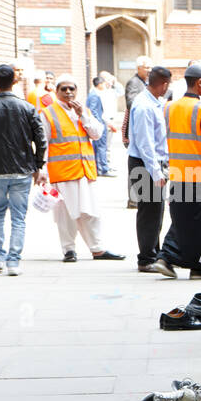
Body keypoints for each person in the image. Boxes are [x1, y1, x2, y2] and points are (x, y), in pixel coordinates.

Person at [150, 64, 201, 279]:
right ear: (200, 82)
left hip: (178, 174)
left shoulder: (169, 107)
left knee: (182, 220)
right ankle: (198, 268)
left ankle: (166, 257)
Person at [37, 76, 124, 262]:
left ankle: (98, 249)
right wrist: (41, 169)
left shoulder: (83, 111)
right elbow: (43, 143)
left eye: (72, 89)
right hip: (62, 171)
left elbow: (97, 133)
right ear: (57, 91)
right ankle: (69, 250)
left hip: (85, 170)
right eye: (64, 89)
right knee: (66, 213)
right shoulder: (48, 113)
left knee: (90, 211)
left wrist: (82, 115)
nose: (68, 92)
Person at [0, 64, 46, 275]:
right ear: (15, 81)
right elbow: (40, 139)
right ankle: (13, 261)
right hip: (23, 168)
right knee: (18, 217)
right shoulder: (27, 108)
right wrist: (38, 164)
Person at [127, 66, 173, 273]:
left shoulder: (154, 103)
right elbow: (146, 144)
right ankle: (145, 258)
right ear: (163, 84)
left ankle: (153, 253)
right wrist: (155, 171)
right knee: (149, 212)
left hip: (150, 163)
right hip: (144, 164)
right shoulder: (144, 106)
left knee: (155, 211)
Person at [121, 55, 152, 151]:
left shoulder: (145, 82)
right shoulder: (134, 82)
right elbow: (131, 104)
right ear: (139, 68)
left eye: (151, 67)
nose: (149, 70)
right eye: (147, 67)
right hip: (136, 129)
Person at [86, 76, 116, 176]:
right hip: (98, 124)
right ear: (99, 85)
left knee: (98, 147)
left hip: (99, 123)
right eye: (103, 84)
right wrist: (98, 123)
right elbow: (93, 111)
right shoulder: (94, 95)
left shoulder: (94, 94)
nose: (104, 85)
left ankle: (98, 168)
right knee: (102, 146)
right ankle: (104, 169)